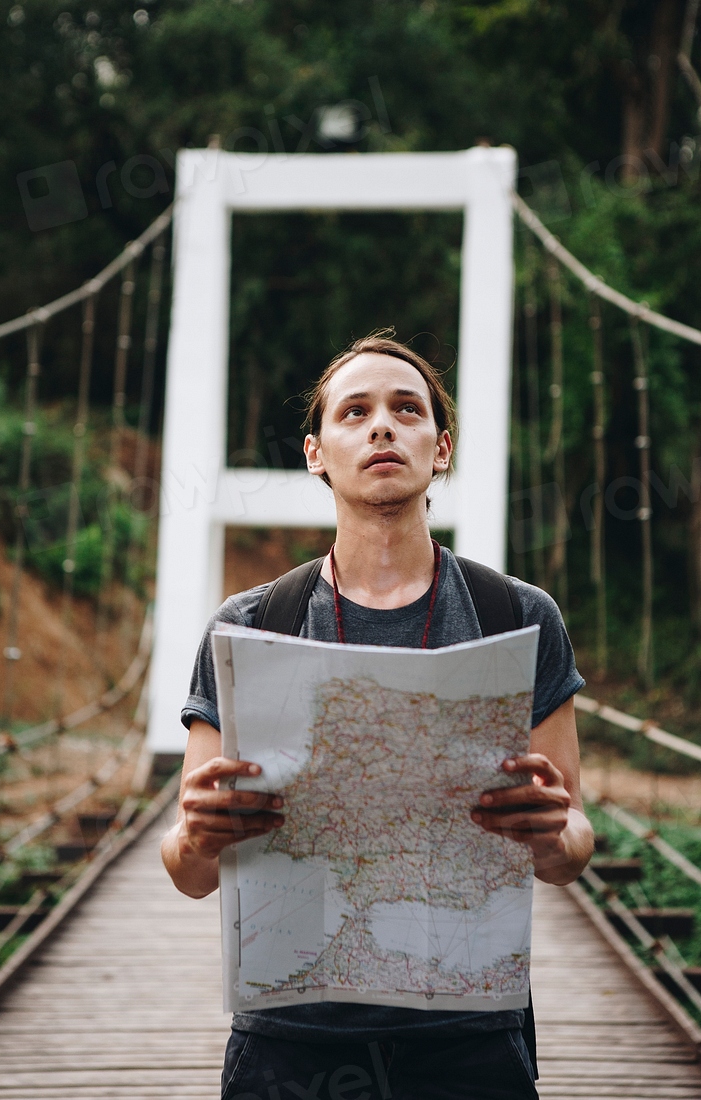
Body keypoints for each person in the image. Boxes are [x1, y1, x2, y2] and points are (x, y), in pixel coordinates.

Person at [162, 333, 594, 1100]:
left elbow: (570, 848)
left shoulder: (518, 616)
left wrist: (551, 832)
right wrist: (197, 833)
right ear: (315, 453)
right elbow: (190, 872)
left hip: (468, 1038)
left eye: (406, 409)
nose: (381, 427)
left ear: (442, 446)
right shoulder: (250, 624)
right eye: (353, 412)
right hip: (290, 1039)